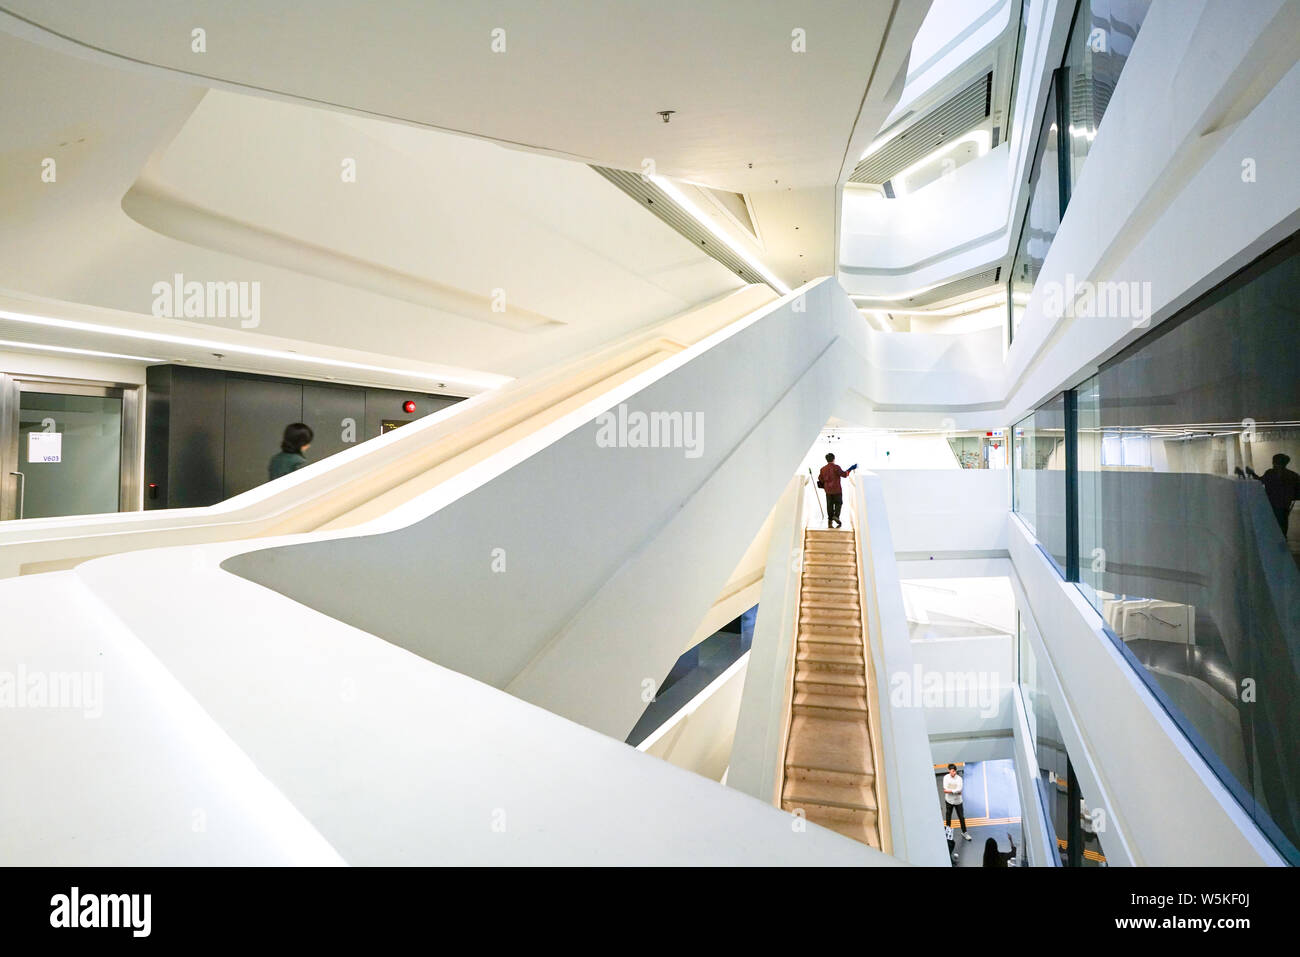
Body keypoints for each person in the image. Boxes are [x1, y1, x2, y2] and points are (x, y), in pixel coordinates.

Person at [1247, 453, 1299, 536]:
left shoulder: (1270, 473)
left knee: (1272, 523)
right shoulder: (1293, 475)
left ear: (1274, 462)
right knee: (1283, 522)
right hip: (1285, 504)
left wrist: (1252, 474)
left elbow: (1260, 481)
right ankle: (1283, 539)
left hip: (1271, 503)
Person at [817, 453, 858, 529]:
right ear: (833, 459)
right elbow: (845, 474)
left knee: (829, 504)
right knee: (839, 503)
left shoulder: (823, 469)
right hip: (837, 490)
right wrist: (851, 468)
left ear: (827, 460)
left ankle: (830, 519)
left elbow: (820, 479)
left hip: (828, 490)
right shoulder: (836, 467)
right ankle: (836, 516)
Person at [942, 763, 971, 840]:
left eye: (955, 771)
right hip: (949, 801)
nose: (954, 773)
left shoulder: (959, 779)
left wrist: (950, 790)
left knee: (961, 817)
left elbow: (959, 789)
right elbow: (945, 790)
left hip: (958, 802)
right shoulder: (945, 778)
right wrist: (956, 791)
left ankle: (964, 832)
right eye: (952, 771)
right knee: (948, 817)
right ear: (949, 771)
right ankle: (948, 833)